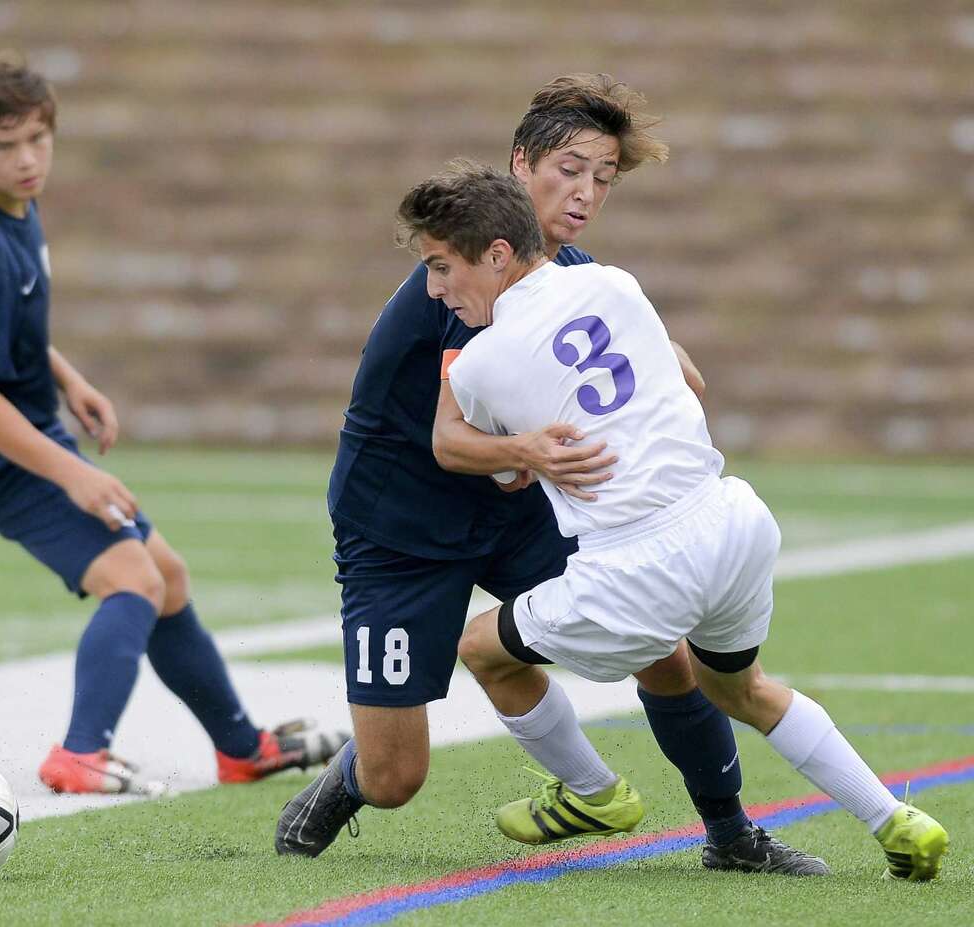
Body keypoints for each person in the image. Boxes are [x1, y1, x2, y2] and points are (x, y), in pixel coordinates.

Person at [277, 75, 823, 875]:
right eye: (569, 170)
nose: (586, 193)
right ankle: (349, 778)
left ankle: (732, 835)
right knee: (396, 777)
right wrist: (529, 453)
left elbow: (672, 376)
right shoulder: (457, 275)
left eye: (603, 178)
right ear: (520, 164)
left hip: (513, 510)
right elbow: (449, 443)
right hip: (401, 528)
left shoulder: (571, 276)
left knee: (663, 650)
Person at [405, 159, 949, 881]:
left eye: (441, 267)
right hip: (730, 521)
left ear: (498, 254)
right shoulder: (616, 283)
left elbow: (478, 456)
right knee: (744, 689)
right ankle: (896, 819)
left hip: (638, 563)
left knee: (482, 649)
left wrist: (519, 451)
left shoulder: (481, 362)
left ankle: (594, 792)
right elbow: (682, 377)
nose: (436, 288)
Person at [0, 58, 345, 796]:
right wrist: (75, 474)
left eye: (37, 139)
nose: (27, 160)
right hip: (0, 459)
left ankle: (241, 748)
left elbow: (1, 331)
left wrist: (67, 378)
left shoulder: (7, 202)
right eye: (4, 147)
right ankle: (79, 753)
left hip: (33, 434)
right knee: (135, 580)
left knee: (166, 574)